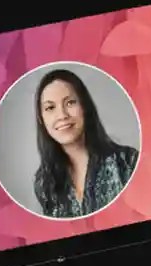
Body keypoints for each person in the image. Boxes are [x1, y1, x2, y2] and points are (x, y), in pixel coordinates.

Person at [31, 68, 139, 219]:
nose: (62, 115)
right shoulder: (44, 183)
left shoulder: (128, 161)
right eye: (50, 108)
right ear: (41, 119)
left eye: (70, 103)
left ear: (85, 107)